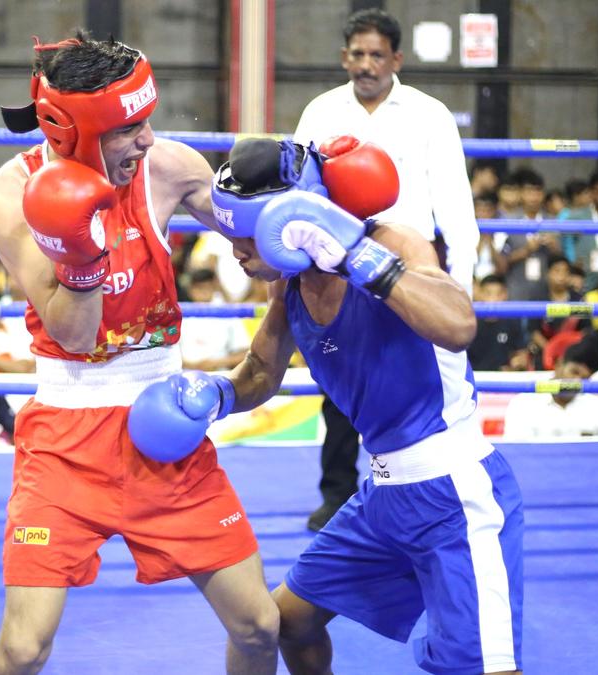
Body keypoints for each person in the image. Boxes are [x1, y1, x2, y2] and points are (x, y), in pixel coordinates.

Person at [136, 136, 523, 674]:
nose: (235, 251)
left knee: (486, 666)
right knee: (290, 622)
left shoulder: (390, 241)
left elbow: (458, 326)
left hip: (453, 493)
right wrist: (216, 395)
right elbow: (261, 371)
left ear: (292, 219)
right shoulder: (289, 285)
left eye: (245, 236)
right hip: (383, 497)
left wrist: (356, 256)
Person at [0, 34, 278, 674]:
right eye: (126, 130)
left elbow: (263, 249)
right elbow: (74, 334)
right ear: (75, 132)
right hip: (64, 442)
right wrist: (81, 256)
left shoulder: (168, 168)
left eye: (146, 122)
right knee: (22, 649)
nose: (146, 140)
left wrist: (299, 213)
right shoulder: (10, 194)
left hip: (166, 428)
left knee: (259, 626)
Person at [291, 7, 480, 530]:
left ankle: (433, 489)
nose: (366, 64)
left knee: (421, 375)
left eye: (377, 55)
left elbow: (455, 206)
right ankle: (337, 495)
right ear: (344, 57)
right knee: (340, 384)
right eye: (358, 54)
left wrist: (459, 289)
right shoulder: (320, 111)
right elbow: (299, 191)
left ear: (396, 58)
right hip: (337, 263)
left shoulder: (429, 114)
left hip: (411, 265)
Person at [502, 347, 598, 439]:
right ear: (558, 366)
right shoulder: (523, 404)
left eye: (584, 378)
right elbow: (517, 453)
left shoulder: (596, 406)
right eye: (574, 372)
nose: (577, 381)